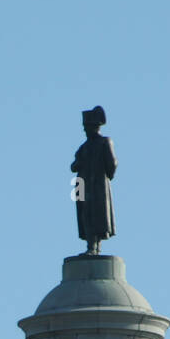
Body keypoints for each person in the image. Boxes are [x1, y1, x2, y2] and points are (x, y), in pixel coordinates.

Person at [70, 106, 116, 255]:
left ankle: (95, 246)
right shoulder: (84, 147)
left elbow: (112, 163)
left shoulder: (104, 142)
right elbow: (73, 166)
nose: (85, 130)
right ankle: (90, 245)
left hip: (97, 184)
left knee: (96, 214)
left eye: (86, 127)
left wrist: (104, 175)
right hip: (82, 185)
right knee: (85, 214)